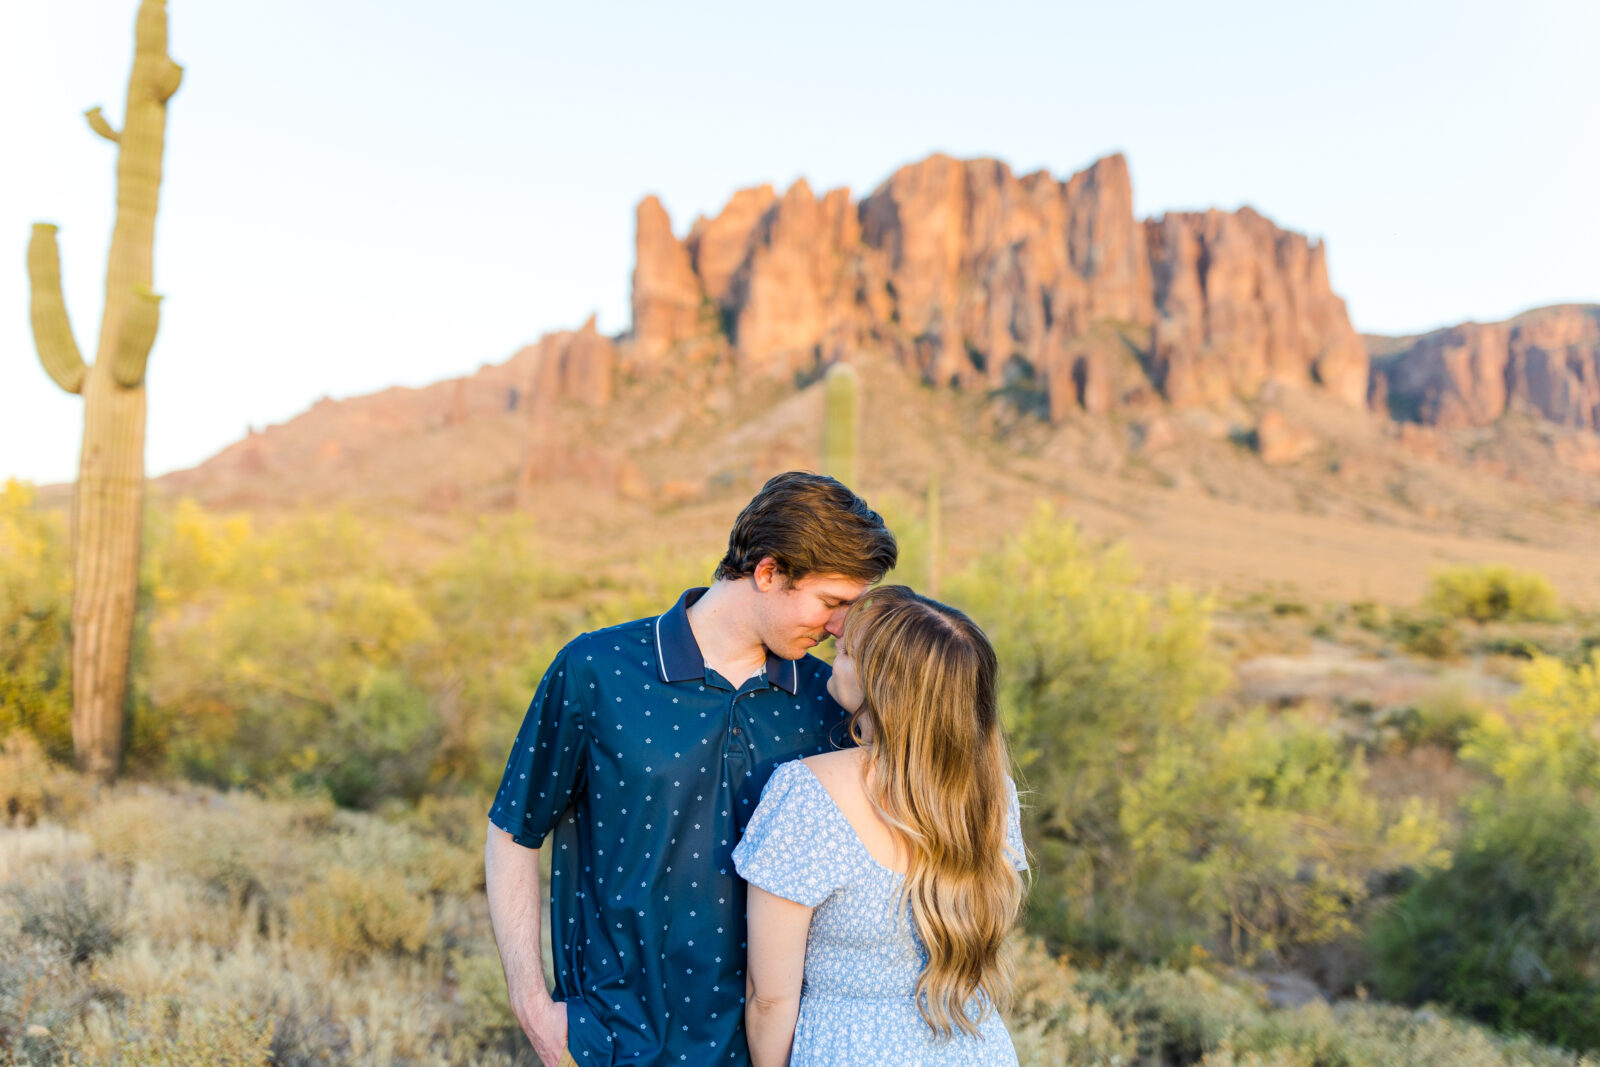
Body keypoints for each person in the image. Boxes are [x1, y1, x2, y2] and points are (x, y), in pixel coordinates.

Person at [485, 471, 897, 1067]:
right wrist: (534, 1008)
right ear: (768, 573)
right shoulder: (597, 670)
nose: (839, 628)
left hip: (773, 1050)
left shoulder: (828, 697)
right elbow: (512, 831)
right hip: (610, 1042)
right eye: (832, 603)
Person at [733, 585, 1027, 1066]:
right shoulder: (994, 794)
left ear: (884, 685)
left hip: (852, 1050)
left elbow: (769, 998)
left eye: (845, 652)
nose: (832, 653)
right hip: (976, 1048)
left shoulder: (809, 793)